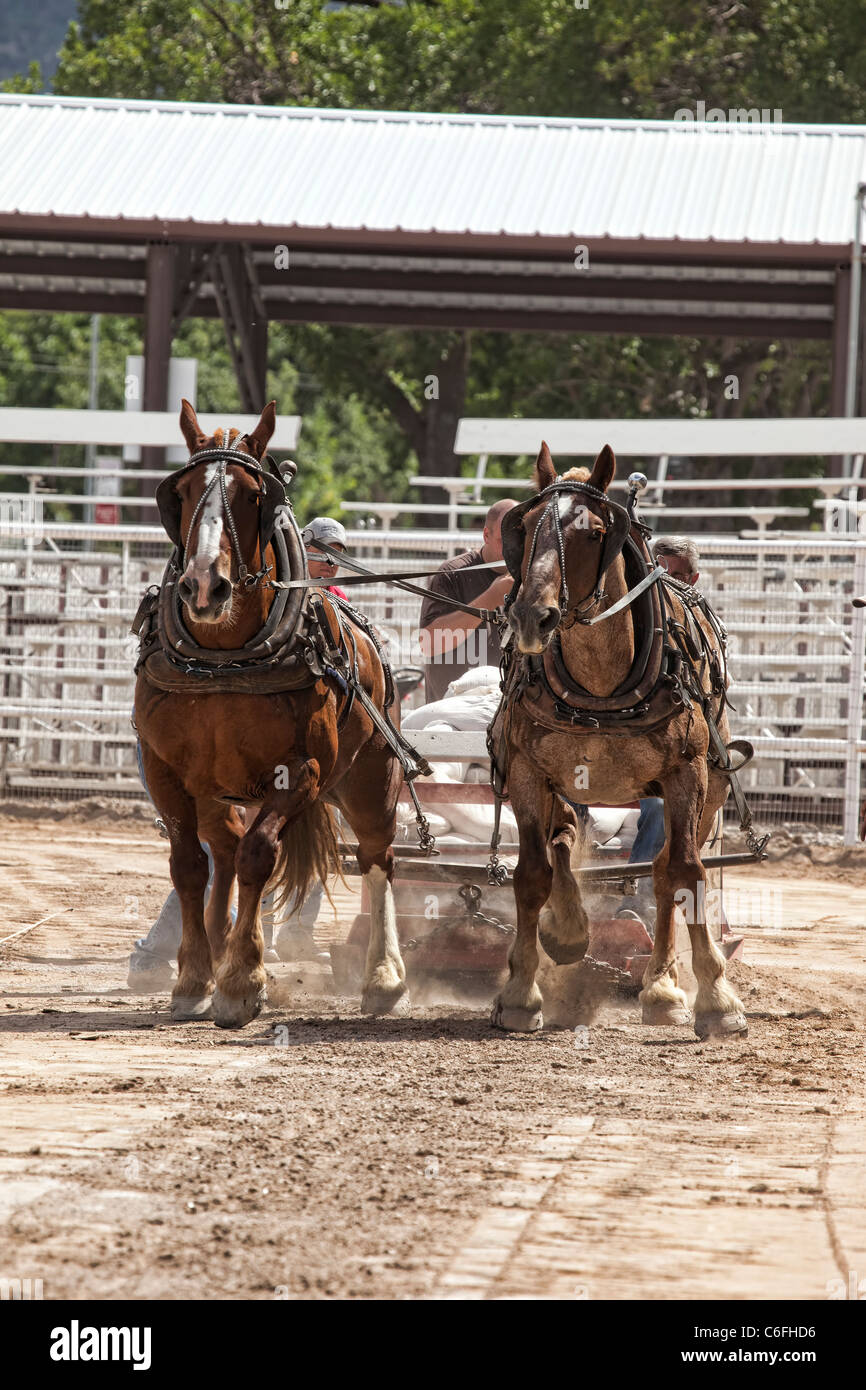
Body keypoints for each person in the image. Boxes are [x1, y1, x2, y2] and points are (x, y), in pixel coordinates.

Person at [127, 515, 353, 989]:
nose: (328, 566)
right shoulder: (263, 603)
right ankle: (161, 954)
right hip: (220, 756)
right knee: (213, 852)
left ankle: (265, 938)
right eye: (322, 555)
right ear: (298, 550)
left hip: (272, 759)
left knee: (247, 847)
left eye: (336, 558)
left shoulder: (324, 612)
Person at [616, 536, 701, 936]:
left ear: (694, 579)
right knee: (567, 799)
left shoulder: (695, 630)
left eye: (677, 574)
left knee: (656, 808)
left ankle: (636, 900)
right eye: (660, 571)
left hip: (662, 754)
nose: (666, 581)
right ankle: (568, 889)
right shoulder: (628, 621)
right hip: (613, 745)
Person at [418, 498, 518, 703]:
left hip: (508, 710)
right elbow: (429, 644)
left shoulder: (534, 577)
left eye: (519, 539)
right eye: (504, 540)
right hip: (451, 707)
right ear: (486, 535)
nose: (513, 549)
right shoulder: (452, 573)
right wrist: (490, 598)